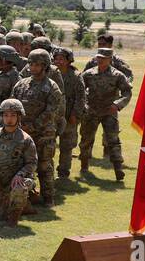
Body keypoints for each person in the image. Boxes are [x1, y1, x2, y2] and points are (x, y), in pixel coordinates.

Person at [12, 48, 66, 205]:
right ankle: (26, 195)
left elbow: (51, 112)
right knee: (22, 164)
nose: (32, 67)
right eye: (31, 64)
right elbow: (13, 106)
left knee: (44, 166)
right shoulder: (21, 85)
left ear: (45, 66)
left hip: (44, 134)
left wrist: (33, 126)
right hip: (22, 133)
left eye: (36, 64)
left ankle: (48, 198)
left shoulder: (52, 87)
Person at [0, 99, 39, 226]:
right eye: (5, 115)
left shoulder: (25, 139)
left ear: (19, 117)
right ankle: (24, 205)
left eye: (13, 115)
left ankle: (14, 216)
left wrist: (20, 174)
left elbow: (32, 163)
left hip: (15, 180)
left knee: (20, 186)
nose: (9, 119)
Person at [79, 48, 132, 181]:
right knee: (86, 139)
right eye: (99, 57)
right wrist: (84, 105)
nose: (100, 60)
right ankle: (84, 166)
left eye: (103, 58)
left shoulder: (117, 75)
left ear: (110, 59)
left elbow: (127, 92)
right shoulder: (88, 74)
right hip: (91, 112)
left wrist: (117, 104)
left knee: (113, 141)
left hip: (109, 112)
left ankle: (118, 169)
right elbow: (79, 89)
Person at [53, 47, 86, 181]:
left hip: (69, 117)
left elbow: (81, 97)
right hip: (53, 116)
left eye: (61, 59)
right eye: (56, 59)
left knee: (66, 146)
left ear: (68, 60)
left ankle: (63, 173)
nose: (58, 61)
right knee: (49, 145)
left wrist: (75, 114)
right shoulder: (51, 74)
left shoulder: (76, 76)